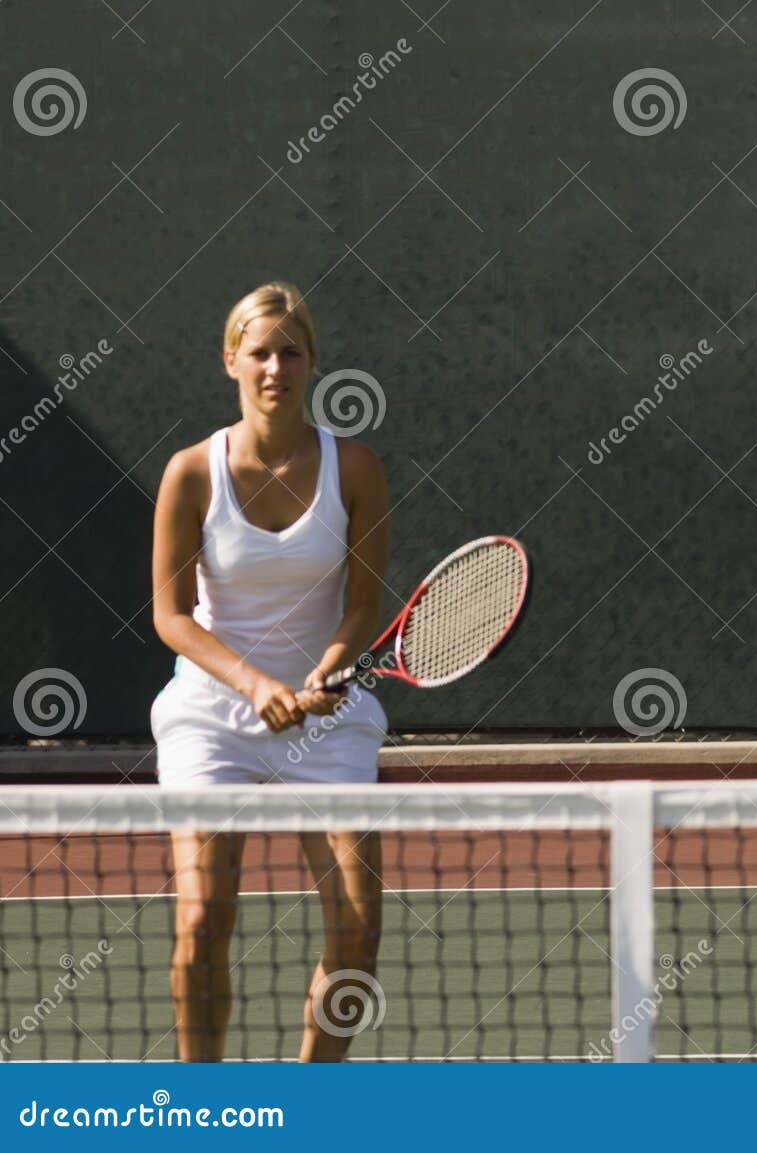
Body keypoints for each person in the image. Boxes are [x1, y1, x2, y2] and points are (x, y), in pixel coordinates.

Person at [150, 282, 389, 1058]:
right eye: (259, 352)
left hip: (326, 719)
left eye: (291, 352)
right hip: (212, 718)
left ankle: (307, 1104)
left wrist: (327, 671)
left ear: (312, 361)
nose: (275, 368)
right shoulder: (191, 472)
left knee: (359, 925)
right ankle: (203, 1106)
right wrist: (255, 684)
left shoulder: (356, 469)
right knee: (200, 920)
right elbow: (171, 615)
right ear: (231, 360)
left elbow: (363, 605)